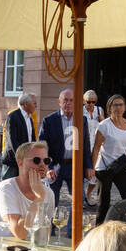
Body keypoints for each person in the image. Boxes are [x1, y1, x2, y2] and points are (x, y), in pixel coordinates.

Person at [40, 89, 93, 222]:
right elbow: (42, 146)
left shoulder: (82, 120)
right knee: (51, 201)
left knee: (77, 202)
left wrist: (89, 166)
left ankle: (72, 233)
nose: (68, 103)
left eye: (71, 100)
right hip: (55, 166)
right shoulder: (49, 121)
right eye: (65, 100)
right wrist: (48, 167)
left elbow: (85, 145)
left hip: (75, 166)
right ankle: (49, 232)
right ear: (59, 102)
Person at [92, 94, 126, 224]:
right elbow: (96, 148)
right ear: (110, 108)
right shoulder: (104, 126)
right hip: (104, 167)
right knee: (103, 202)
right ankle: (99, 230)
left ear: (125, 107)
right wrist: (91, 169)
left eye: (120, 105)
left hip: (122, 165)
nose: (118, 107)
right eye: (115, 105)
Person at [3, 93, 38, 180]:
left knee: (21, 188)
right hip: (13, 160)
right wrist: (21, 158)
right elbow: (12, 140)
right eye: (34, 103)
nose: (36, 106)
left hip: (26, 160)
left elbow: (31, 139)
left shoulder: (30, 118)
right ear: (26, 104)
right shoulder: (13, 116)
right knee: (8, 187)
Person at [81, 90, 104, 206]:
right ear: (84, 101)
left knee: (94, 175)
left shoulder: (99, 110)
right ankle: (79, 199)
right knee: (80, 174)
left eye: (93, 102)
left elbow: (104, 127)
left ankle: (88, 194)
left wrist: (101, 120)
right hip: (83, 146)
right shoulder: (80, 111)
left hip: (96, 147)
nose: (91, 104)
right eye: (88, 102)